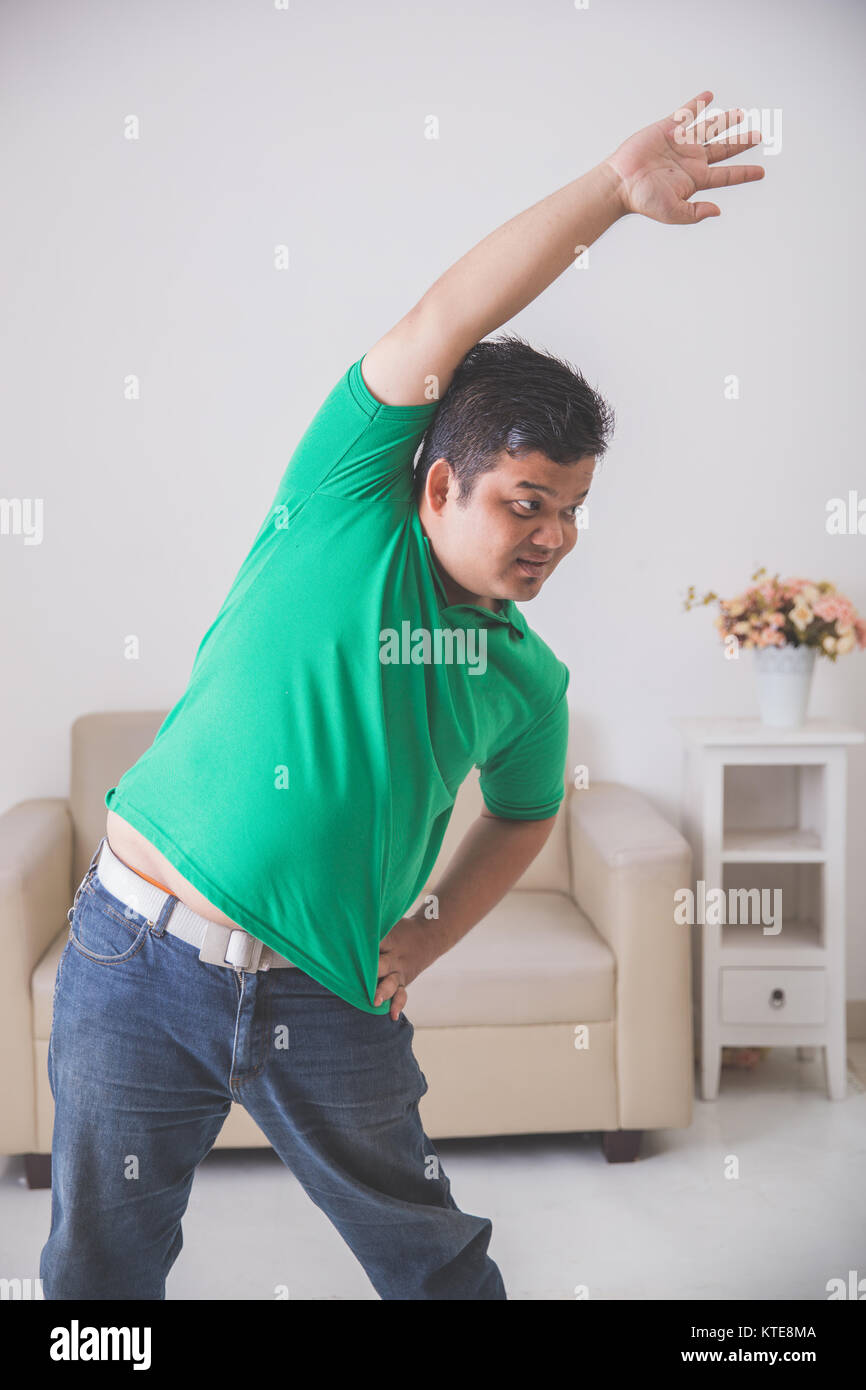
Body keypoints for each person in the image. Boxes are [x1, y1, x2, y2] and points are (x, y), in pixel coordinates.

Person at [40, 90, 764, 1301]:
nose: (551, 535)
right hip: (133, 961)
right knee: (96, 1273)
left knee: (427, 1257)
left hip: (323, 992)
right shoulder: (340, 505)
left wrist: (425, 933)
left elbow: (524, 815)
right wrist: (608, 191)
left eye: (572, 509)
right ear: (434, 486)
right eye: (522, 502)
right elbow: (444, 314)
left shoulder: (525, 679)